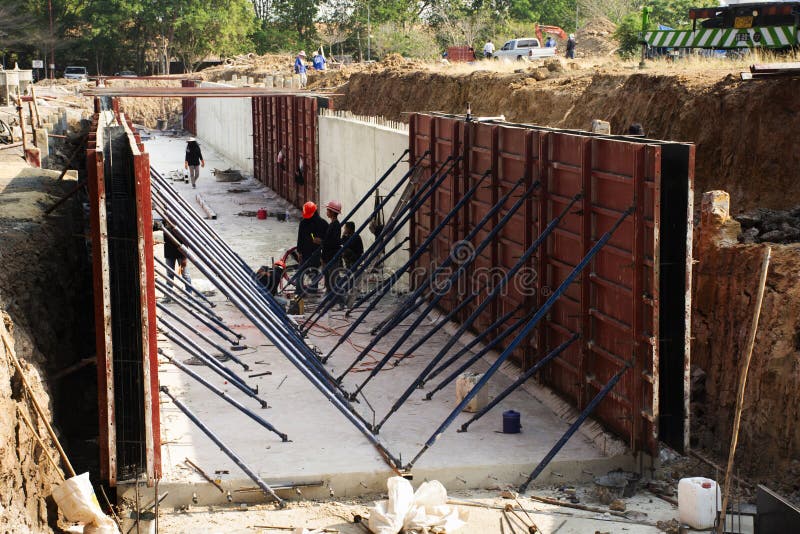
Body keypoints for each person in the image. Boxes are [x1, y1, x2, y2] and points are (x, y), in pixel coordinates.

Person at [296, 201, 328, 291]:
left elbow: (329, 240)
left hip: (315, 252)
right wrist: (299, 252)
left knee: (302, 271)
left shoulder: (322, 224)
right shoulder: (304, 223)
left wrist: (321, 241)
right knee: (311, 271)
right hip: (309, 252)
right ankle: (310, 289)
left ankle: (300, 291)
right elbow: (300, 238)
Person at [162, 221, 192, 301]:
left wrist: (185, 256)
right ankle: (168, 296)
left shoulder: (180, 221)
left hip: (181, 254)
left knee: (185, 274)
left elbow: (186, 240)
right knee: (169, 274)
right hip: (169, 253)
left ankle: (190, 296)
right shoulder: (164, 222)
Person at [320, 200, 342, 295]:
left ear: (332, 212)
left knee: (333, 279)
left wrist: (321, 241)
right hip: (327, 256)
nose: (327, 212)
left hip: (331, 256)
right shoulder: (332, 224)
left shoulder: (335, 225)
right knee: (328, 278)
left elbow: (333, 242)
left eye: (328, 210)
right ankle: (329, 296)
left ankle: (338, 299)